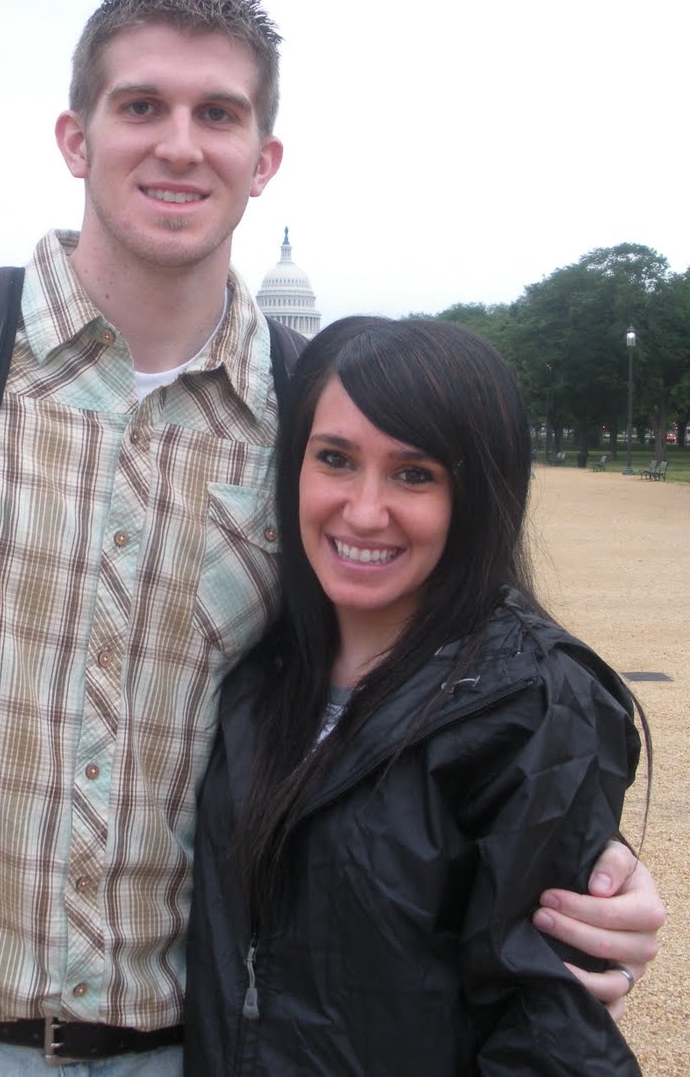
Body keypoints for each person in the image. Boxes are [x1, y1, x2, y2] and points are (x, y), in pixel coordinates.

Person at [0, 0, 665, 1077]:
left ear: (262, 160)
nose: (178, 144)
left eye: (217, 114)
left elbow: (437, 699)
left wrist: (580, 866)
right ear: (76, 136)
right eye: (141, 106)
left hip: (203, 1047)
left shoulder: (317, 429)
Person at [185, 317, 646, 1075]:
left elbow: (545, 1034)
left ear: (479, 491)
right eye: (335, 459)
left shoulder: (530, 705)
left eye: (414, 474)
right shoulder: (259, 672)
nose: (364, 511)